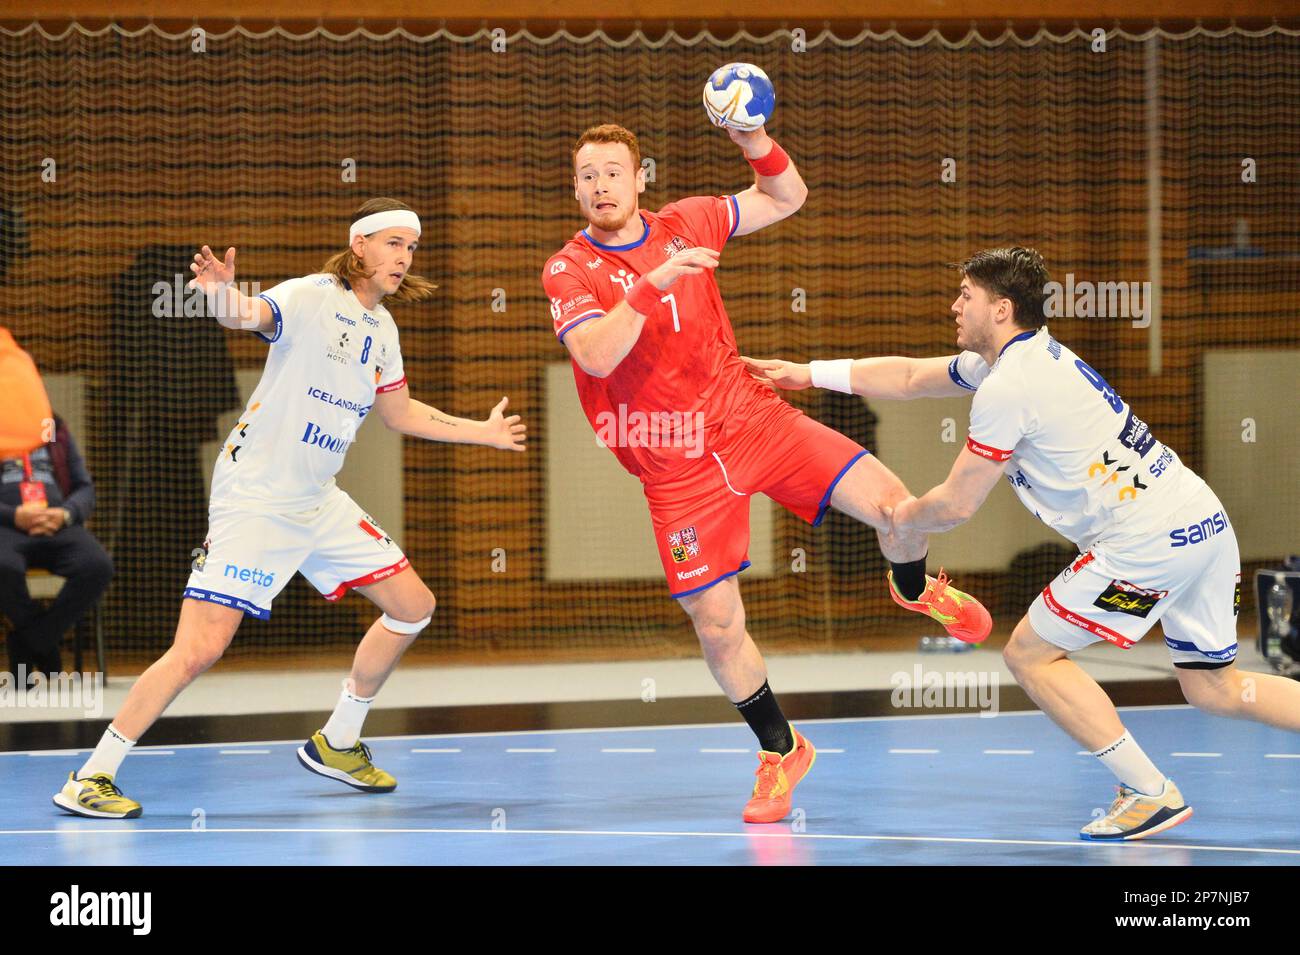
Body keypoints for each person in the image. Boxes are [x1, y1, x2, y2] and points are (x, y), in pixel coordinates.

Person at [747, 246, 1300, 840]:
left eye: (966, 296)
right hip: (1202, 524)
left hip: (1146, 544)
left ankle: (1149, 792)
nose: (955, 305)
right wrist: (806, 373)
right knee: (1215, 686)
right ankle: (1147, 789)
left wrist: (900, 518)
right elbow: (909, 377)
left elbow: (956, 506)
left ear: (1001, 307)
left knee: (1029, 654)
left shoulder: (1008, 388)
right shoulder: (1020, 359)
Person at [541, 124, 991, 824]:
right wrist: (648, 287)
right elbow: (596, 357)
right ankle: (781, 749)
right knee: (716, 621)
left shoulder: (688, 221)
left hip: (752, 417)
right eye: (586, 174)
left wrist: (752, 136)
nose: (599, 185)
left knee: (896, 505)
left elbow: (785, 196)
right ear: (575, 188)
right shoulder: (569, 270)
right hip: (673, 461)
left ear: (639, 179)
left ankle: (911, 584)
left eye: (612, 171)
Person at [54, 198, 527, 819]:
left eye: (410, 248)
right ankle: (92, 774)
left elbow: (400, 413)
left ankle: (338, 739)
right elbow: (248, 315)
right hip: (256, 495)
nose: (403, 257)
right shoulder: (311, 296)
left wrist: (481, 432)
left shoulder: (383, 331)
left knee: (413, 606)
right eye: (391, 244)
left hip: (316, 498)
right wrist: (222, 295)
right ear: (359, 246)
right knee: (199, 649)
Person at [0, 414, 114, 681]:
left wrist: (65, 514)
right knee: (3, 566)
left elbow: (85, 488)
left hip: (57, 524)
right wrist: (14, 515)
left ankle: (31, 642)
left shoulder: (54, 428)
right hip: (6, 526)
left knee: (97, 566)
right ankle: (45, 646)